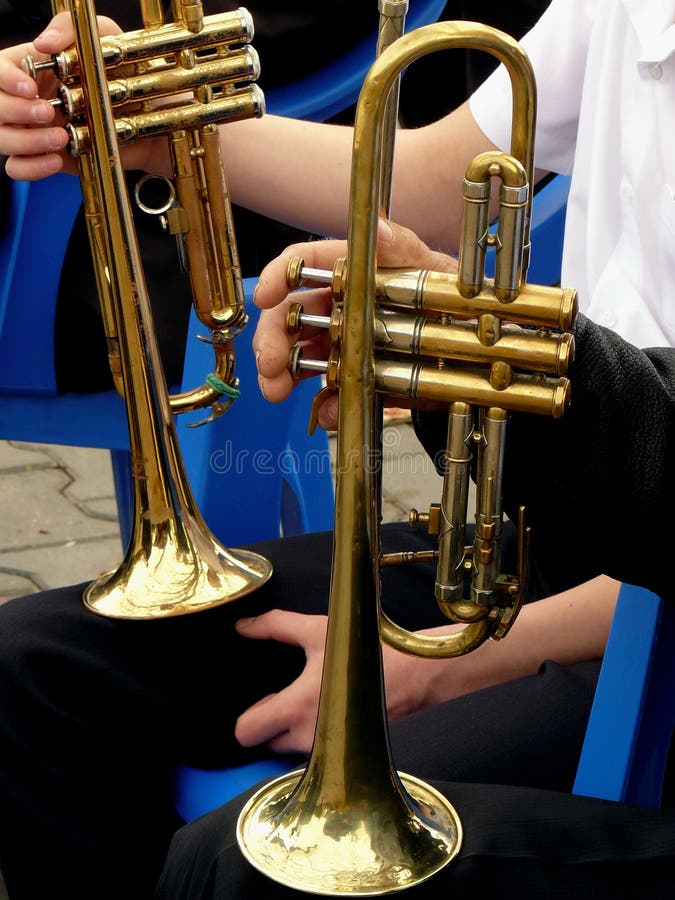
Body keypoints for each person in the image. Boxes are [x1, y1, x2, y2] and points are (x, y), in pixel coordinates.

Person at [0, 0, 673, 897]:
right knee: (33, 674)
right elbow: (430, 175)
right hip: (537, 537)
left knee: (247, 868)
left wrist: (437, 663)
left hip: (643, 627)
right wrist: (164, 124)